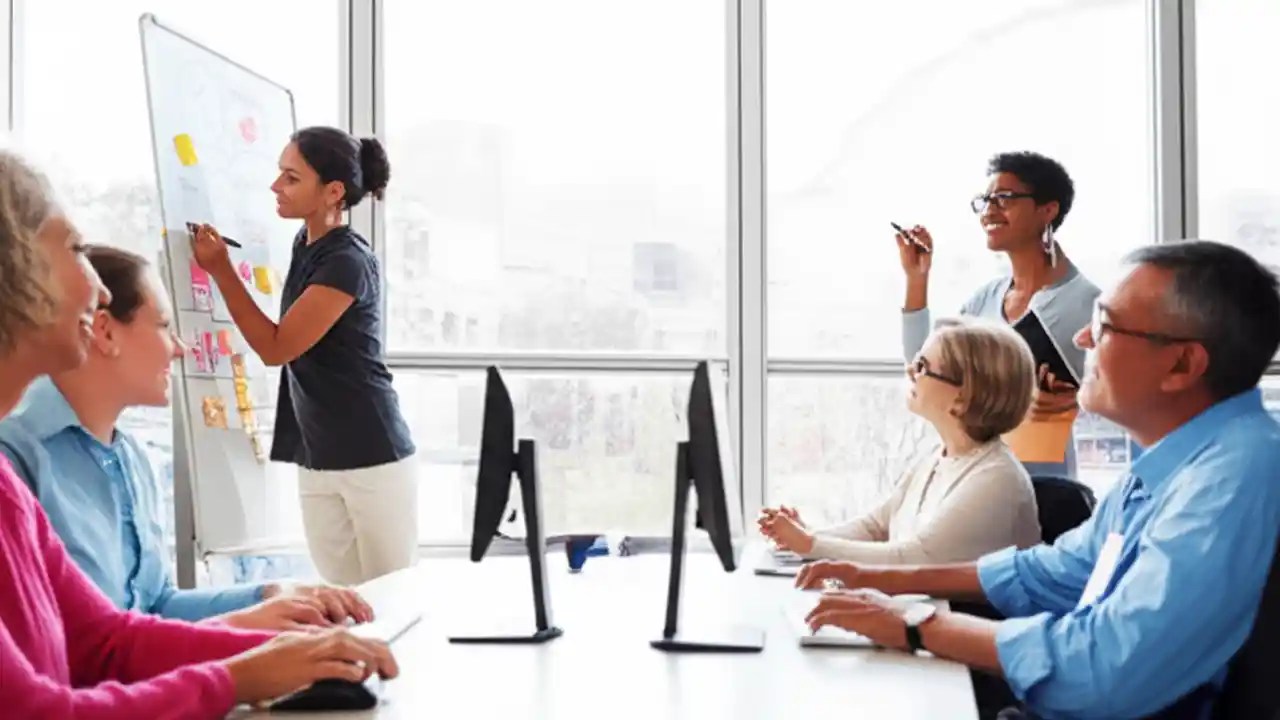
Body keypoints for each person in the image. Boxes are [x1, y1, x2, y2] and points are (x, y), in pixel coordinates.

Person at [799, 240, 1280, 719]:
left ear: (1181, 364)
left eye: (1103, 326)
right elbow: (1050, 572)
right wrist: (874, 579)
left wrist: (915, 625)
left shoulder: (1231, 482)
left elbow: (1104, 664)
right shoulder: (1175, 464)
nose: (1082, 340)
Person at [0, 149, 398, 718]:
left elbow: (105, 642)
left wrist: (277, 650)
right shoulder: (19, 460)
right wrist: (237, 675)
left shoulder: (12, 486)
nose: (98, 287)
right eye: (75, 249)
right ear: (13, 264)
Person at [0, 244, 374, 631]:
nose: (180, 348)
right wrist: (245, 627)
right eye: (164, 326)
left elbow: (156, 606)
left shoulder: (130, 458)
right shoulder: (15, 458)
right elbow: (85, 646)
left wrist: (275, 596)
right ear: (105, 331)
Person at [192, 127, 417, 585]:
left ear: (333, 192)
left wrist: (220, 270)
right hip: (318, 454)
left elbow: (277, 348)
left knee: (392, 598)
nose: (276, 186)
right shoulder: (306, 243)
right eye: (279, 173)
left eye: (291, 177)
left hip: (372, 455)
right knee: (343, 600)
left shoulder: (347, 262)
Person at [760, 318, 1041, 564]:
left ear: (963, 397)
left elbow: (913, 559)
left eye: (922, 366)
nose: (910, 372)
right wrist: (806, 534)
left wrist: (810, 545)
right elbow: (876, 527)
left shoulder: (997, 480)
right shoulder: (939, 456)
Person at [898, 151, 1100, 480]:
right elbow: (924, 367)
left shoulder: (1086, 305)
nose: (989, 211)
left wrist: (1080, 401)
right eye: (985, 200)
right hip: (974, 477)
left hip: (1046, 491)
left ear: (1048, 210)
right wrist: (916, 279)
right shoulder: (985, 300)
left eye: (1004, 199)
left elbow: (1134, 401)